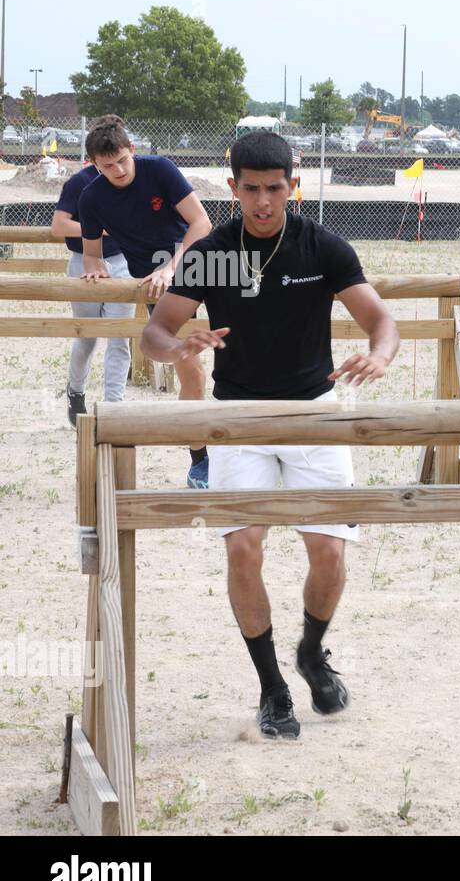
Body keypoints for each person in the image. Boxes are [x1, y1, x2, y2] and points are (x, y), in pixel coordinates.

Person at [142, 131, 399, 739]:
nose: (262, 201)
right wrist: (178, 346)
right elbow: (154, 331)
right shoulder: (212, 252)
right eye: (251, 189)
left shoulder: (323, 247)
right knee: (242, 548)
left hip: (315, 413)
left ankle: (311, 653)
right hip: (238, 419)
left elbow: (381, 318)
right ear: (231, 188)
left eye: (274, 189)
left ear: (293, 185)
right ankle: (271, 688)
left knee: (330, 553)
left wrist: (381, 356)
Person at [76, 116, 214, 488]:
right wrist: (95, 270)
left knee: (240, 360)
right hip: (162, 288)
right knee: (193, 370)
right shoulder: (92, 198)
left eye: (122, 160)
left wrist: (171, 266)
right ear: (94, 165)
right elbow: (91, 254)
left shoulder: (160, 170)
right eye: (107, 166)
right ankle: (200, 459)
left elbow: (202, 223)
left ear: (132, 150)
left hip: (201, 263)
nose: (118, 170)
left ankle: (255, 444)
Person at [49, 115, 133, 426]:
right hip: (82, 261)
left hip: (123, 262)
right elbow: (59, 225)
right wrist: (99, 229)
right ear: (94, 156)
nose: (115, 167)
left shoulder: (132, 180)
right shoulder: (80, 182)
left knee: (119, 337)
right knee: (86, 337)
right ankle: (76, 391)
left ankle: (114, 407)